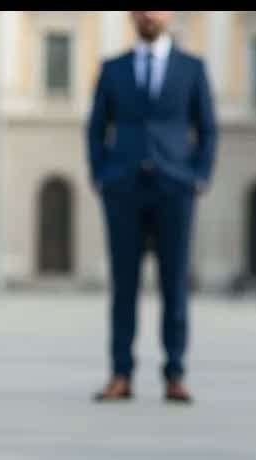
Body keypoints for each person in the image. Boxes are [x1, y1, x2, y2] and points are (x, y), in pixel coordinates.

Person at [86, 11, 218, 404]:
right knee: (123, 286)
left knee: (174, 284)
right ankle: (120, 373)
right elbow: (96, 127)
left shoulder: (192, 68)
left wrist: (199, 175)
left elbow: (207, 127)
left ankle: (174, 373)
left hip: (174, 188)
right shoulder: (113, 69)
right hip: (123, 187)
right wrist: (100, 174)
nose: (148, 14)